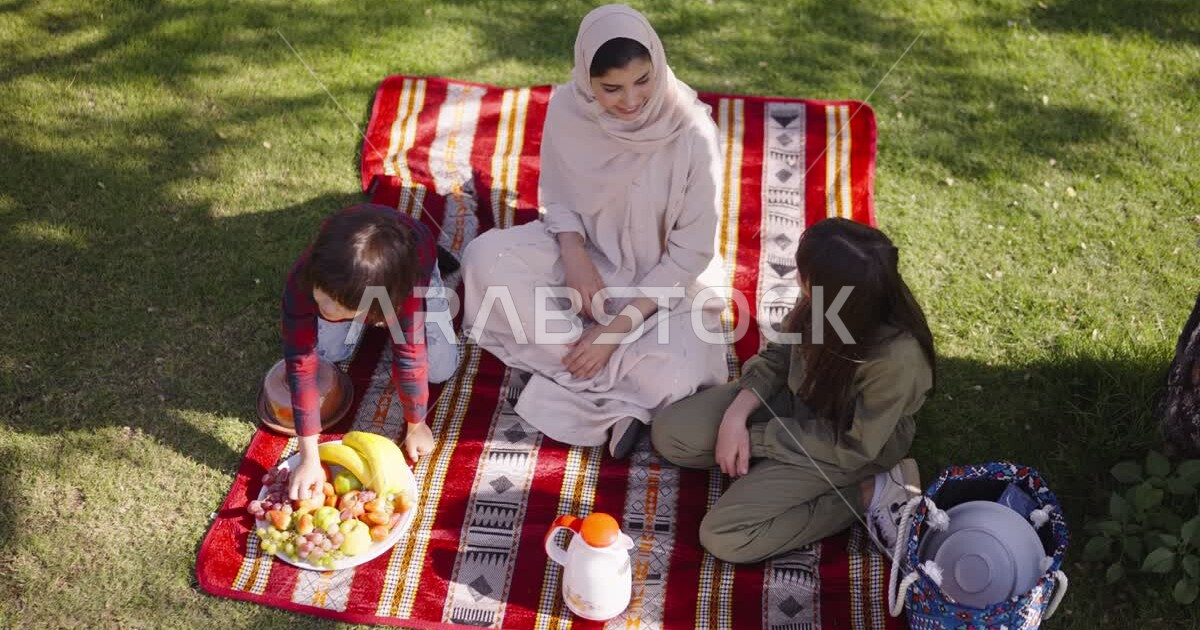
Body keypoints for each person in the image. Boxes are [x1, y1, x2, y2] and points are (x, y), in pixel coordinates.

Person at [461, 4, 727, 459]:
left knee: (682, 372)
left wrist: (612, 332)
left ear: (658, 66)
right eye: (611, 88)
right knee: (484, 260)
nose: (630, 100)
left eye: (643, 80)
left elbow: (689, 255)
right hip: (587, 259)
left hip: (663, 285)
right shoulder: (570, 107)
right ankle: (617, 393)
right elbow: (559, 195)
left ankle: (567, 376)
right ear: (588, 79)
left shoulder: (694, 134)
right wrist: (575, 255)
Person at [651, 218, 936, 563]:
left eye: (803, 273)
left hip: (838, 444)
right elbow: (780, 354)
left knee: (725, 536)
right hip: (798, 402)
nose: (797, 279)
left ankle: (870, 492)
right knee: (671, 434)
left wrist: (754, 438)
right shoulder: (834, 298)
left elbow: (853, 446)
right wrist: (735, 416)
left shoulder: (897, 360)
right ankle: (767, 464)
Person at [281, 203, 460, 500]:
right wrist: (309, 458)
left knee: (440, 369)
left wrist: (416, 425)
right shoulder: (304, 279)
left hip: (416, 260)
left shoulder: (403, 297)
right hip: (359, 264)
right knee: (327, 354)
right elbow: (301, 366)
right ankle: (354, 312)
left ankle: (434, 278)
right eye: (323, 299)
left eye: (340, 308)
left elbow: (410, 355)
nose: (324, 310)